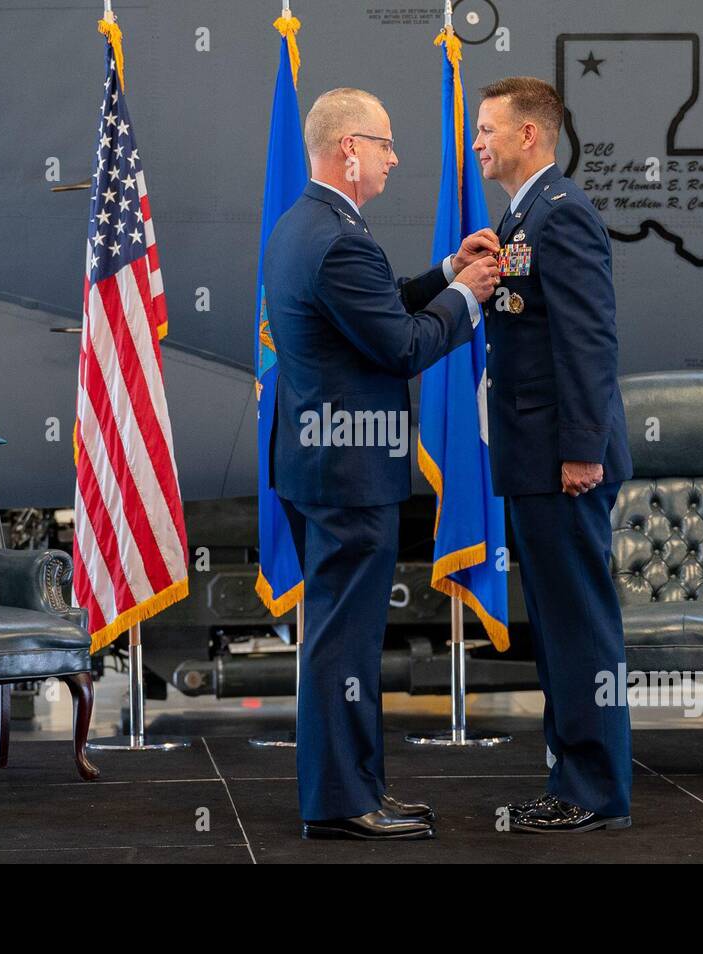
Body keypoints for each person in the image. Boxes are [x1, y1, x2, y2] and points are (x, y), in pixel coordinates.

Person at [264, 88, 500, 840]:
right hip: (347, 470)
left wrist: (442, 273)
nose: (397, 158)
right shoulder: (341, 238)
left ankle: (357, 787)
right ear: (349, 150)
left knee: (345, 638)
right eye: (387, 143)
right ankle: (341, 803)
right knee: (344, 642)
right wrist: (466, 298)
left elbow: (379, 308)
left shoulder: (304, 225)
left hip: (320, 462)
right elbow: (400, 345)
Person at [473, 77, 635, 833]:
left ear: (530, 135)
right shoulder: (522, 216)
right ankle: (569, 777)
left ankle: (594, 793)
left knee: (580, 628)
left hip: (561, 463)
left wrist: (581, 453)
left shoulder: (561, 216)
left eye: (487, 130)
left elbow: (588, 341)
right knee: (558, 627)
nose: (478, 142)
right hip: (533, 458)